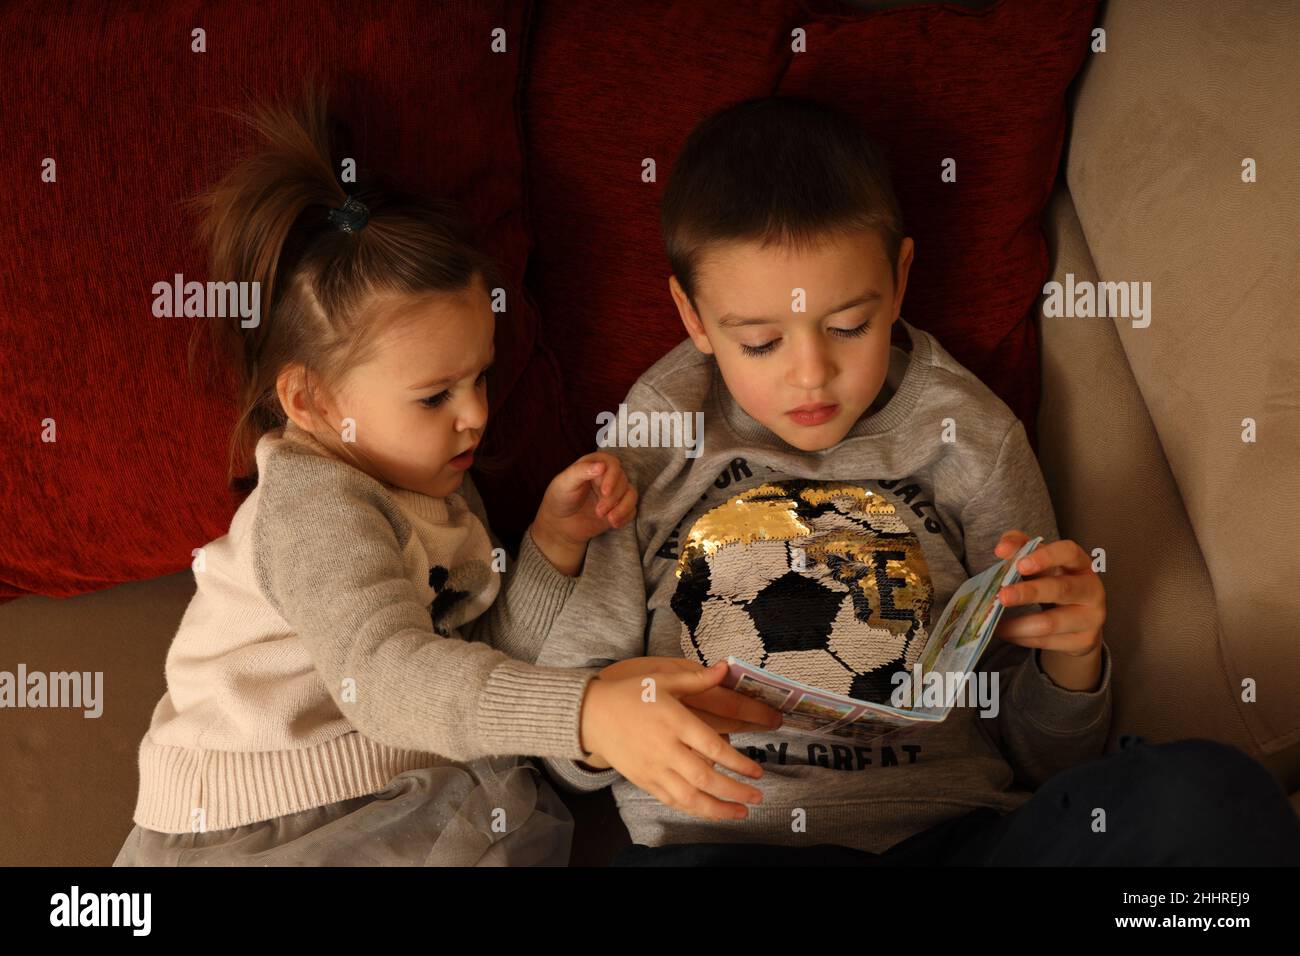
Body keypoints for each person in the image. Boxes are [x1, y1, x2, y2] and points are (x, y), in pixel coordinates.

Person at [533, 95, 1300, 865]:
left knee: (1211, 801)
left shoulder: (969, 433)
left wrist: (1072, 660)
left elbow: (1049, 758)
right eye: (761, 341)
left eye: (848, 327)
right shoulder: (648, 447)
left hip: (952, 835)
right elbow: (565, 743)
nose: (812, 373)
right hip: (726, 845)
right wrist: (605, 724)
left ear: (899, 279)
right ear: (694, 316)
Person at [112, 87, 777, 867]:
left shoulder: (427, 475)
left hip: (398, 778)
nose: (474, 416)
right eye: (434, 396)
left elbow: (478, 658)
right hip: (266, 816)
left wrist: (551, 546)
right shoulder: (313, 507)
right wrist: (588, 713)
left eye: (480, 379)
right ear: (311, 400)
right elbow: (388, 680)